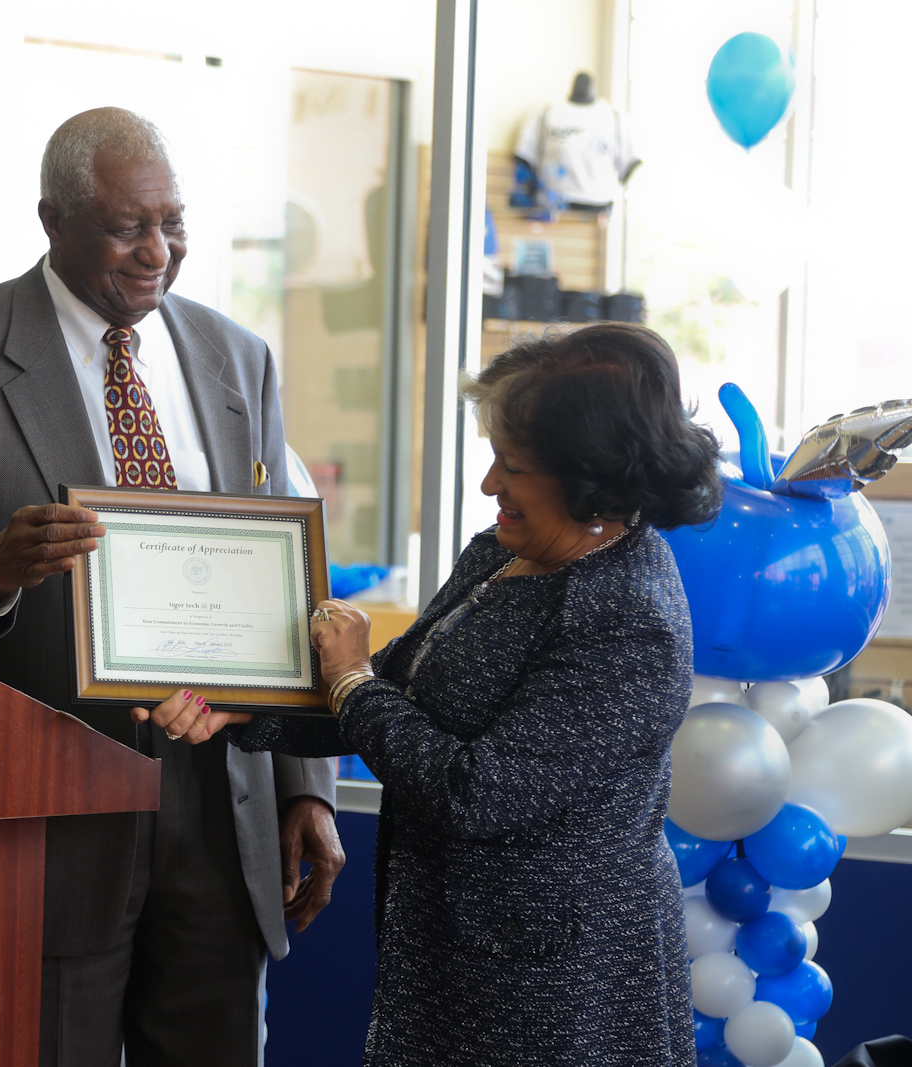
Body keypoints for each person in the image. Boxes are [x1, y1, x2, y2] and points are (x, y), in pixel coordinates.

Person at [0, 107, 343, 1067]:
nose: (158, 251)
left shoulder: (237, 358)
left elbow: (292, 584)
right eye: (129, 227)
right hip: (48, 810)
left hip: (222, 798)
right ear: (54, 221)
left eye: (174, 221)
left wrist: (309, 787)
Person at [144, 322, 723, 1066]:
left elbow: (475, 792)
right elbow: (398, 690)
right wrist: (246, 706)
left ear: (590, 480)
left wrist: (351, 681)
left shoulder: (627, 617)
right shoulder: (503, 551)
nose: (489, 485)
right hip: (451, 951)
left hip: (554, 990)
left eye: (511, 466)